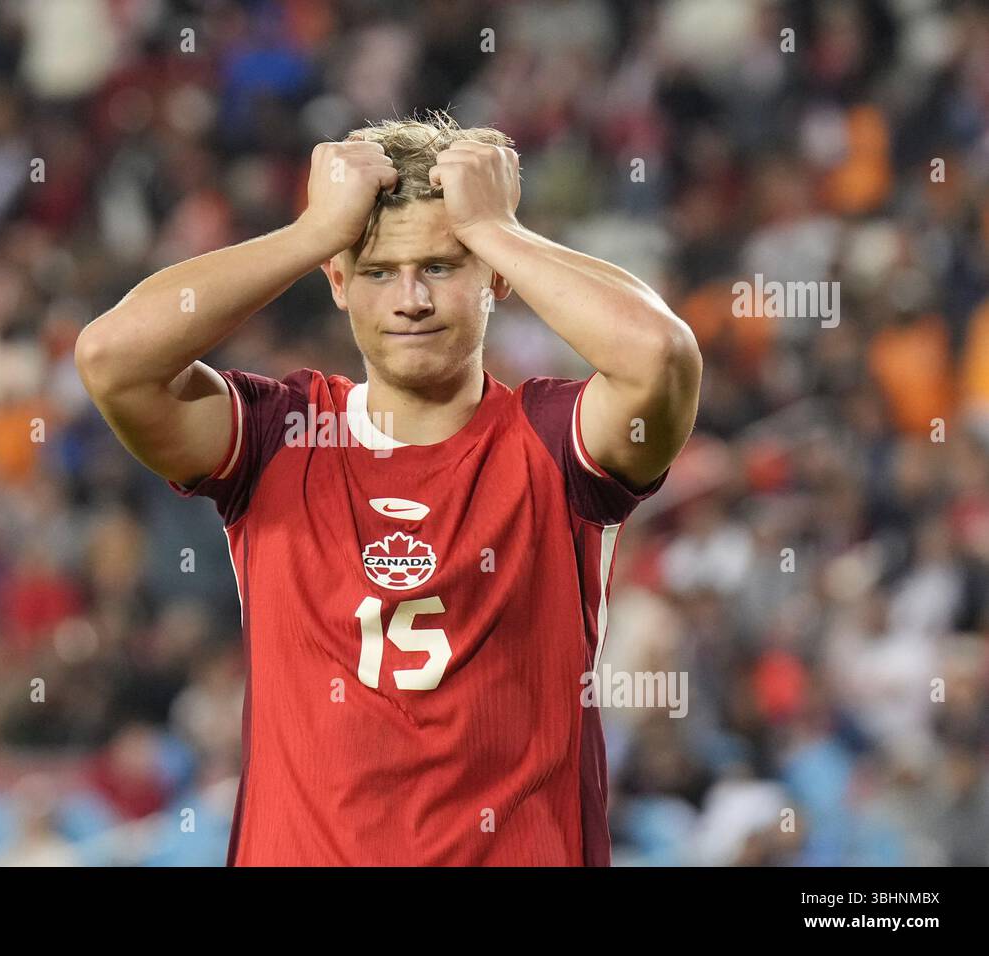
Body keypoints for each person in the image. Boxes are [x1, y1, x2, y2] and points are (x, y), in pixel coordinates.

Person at [75, 112, 702, 865]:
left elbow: (660, 355)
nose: (410, 300)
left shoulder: (555, 444)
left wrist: (495, 227)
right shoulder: (281, 437)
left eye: (441, 265)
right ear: (337, 282)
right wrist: (313, 232)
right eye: (377, 271)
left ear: (494, 277)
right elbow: (112, 356)